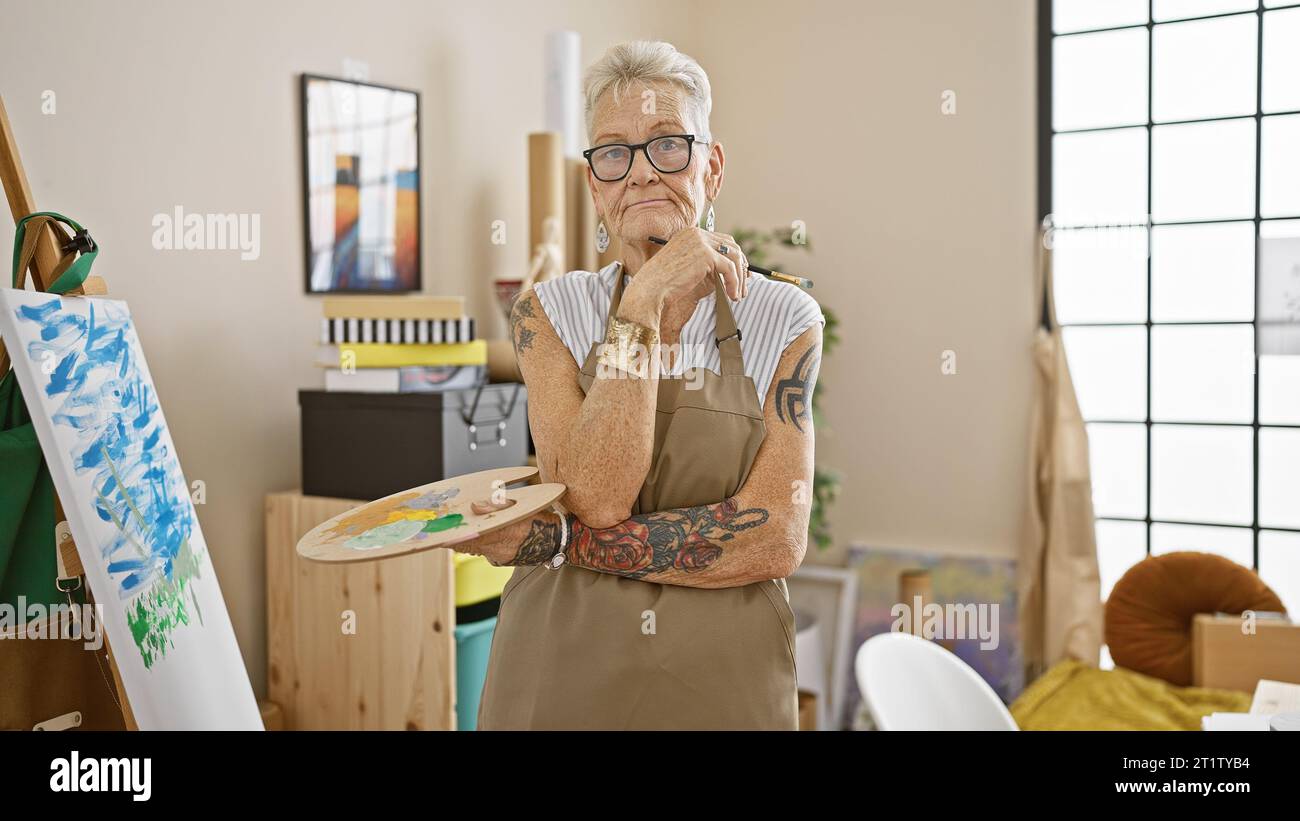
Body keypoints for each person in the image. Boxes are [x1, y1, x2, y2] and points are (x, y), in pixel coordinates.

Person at [456, 40, 825, 730]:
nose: (640, 174)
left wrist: (558, 542)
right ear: (594, 184)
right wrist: (643, 300)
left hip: (721, 682)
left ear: (711, 167)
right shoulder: (548, 314)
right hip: (558, 669)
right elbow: (598, 494)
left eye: (667, 145)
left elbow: (773, 536)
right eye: (613, 153)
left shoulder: (783, 317)